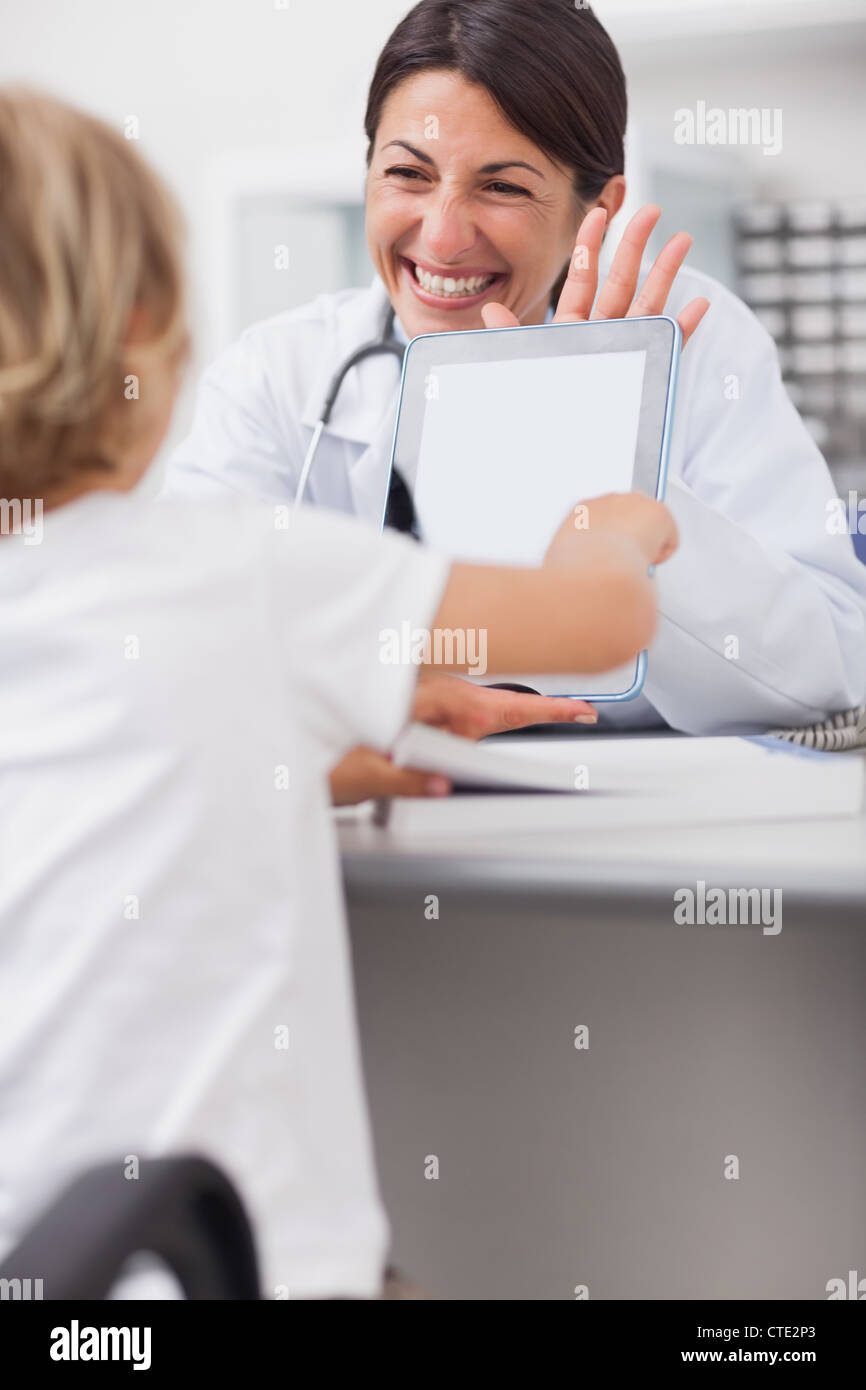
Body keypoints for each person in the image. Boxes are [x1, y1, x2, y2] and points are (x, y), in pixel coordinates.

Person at [0, 89, 677, 1298]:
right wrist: (606, 523)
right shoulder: (244, 568)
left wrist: (304, 753)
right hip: (242, 1269)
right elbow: (600, 622)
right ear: (148, 323)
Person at [166, 0, 866, 769]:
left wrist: (599, 462)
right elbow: (187, 651)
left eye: (500, 187)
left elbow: (832, 672)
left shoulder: (698, 341)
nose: (441, 235)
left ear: (595, 208)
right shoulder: (279, 375)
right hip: (381, 845)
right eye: (407, 173)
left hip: (641, 824)